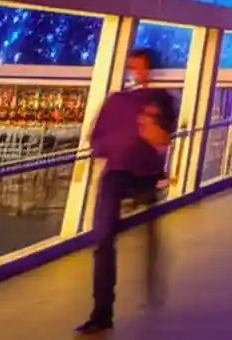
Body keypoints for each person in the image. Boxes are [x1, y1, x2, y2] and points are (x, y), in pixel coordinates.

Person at [76, 48, 176, 336]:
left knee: (141, 218)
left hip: (144, 175)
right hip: (116, 174)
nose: (136, 74)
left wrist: (151, 127)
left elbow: (163, 140)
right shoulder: (117, 101)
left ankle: (146, 216)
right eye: (133, 68)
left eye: (141, 68)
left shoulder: (161, 101)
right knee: (103, 237)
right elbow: (97, 139)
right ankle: (101, 313)